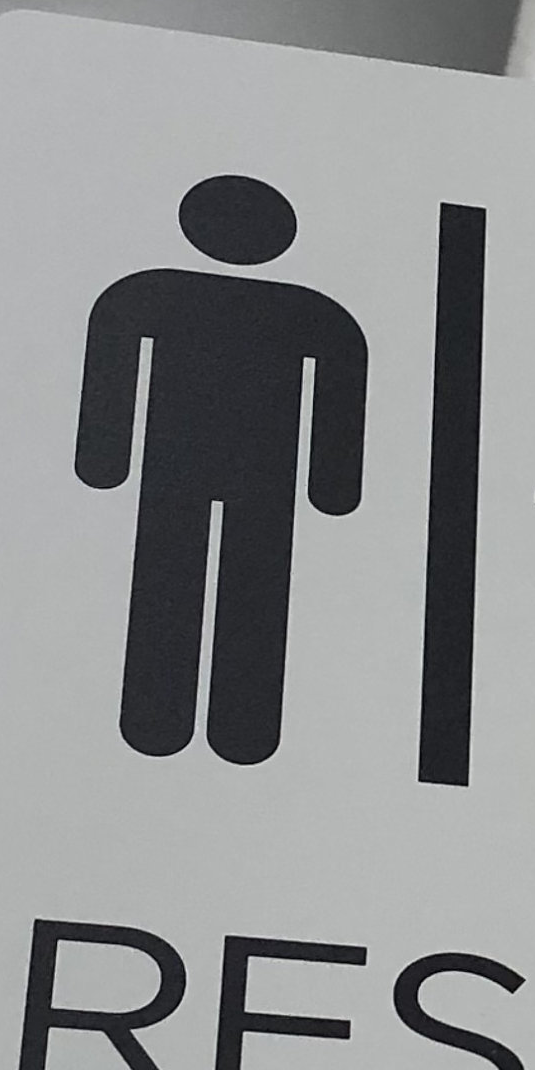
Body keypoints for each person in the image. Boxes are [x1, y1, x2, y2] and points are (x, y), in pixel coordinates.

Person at [75, 175, 368, 765]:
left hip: (205, 470)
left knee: (203, 584)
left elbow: (342, 386)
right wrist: (333, 486)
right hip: (230, 472)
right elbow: (342, 384)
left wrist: (104, 461)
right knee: (215, 585)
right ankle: (211, 725)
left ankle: (190, 723)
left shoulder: (152, 292)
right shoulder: (309, 311)